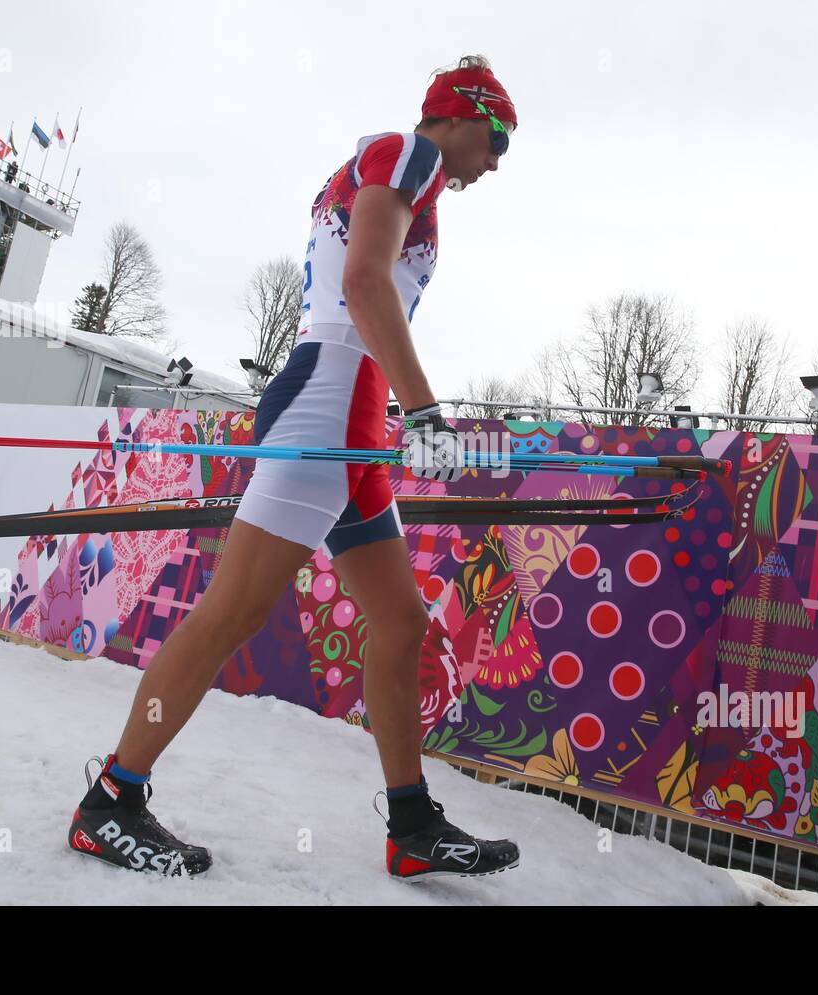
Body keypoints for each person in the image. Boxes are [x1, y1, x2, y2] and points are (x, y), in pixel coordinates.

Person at [68, 55, 521, 881]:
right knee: (230, 615)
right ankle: (110, 801)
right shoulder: (406, 155)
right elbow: (361, 281)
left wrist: (397, 407)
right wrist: (424, 410)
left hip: (350, 410)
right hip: (328, 407)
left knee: (401, 624)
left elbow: (360, 282)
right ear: (460, 118)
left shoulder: (394, 169)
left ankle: (412, 825)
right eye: (497, 141)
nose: (495, 163)